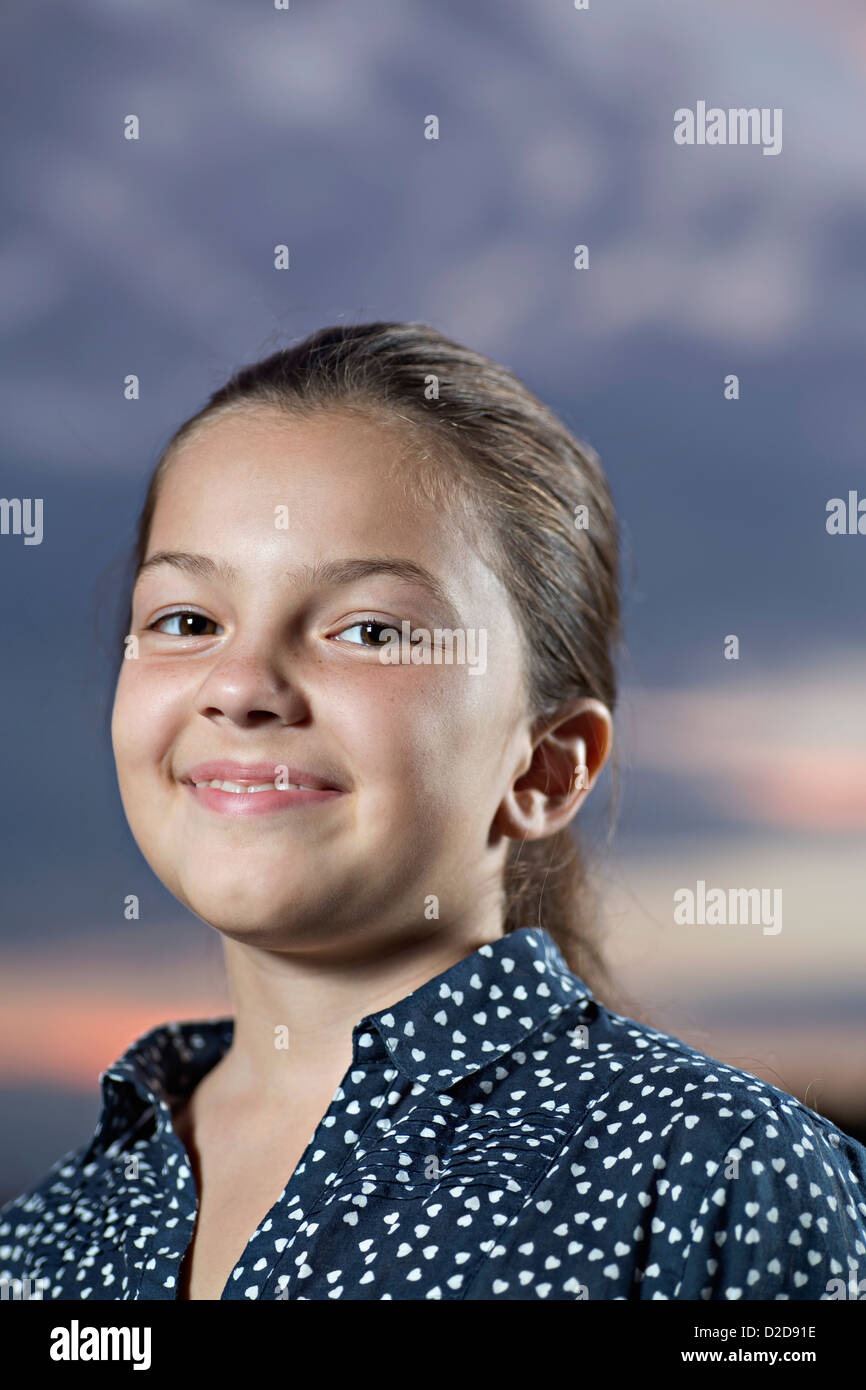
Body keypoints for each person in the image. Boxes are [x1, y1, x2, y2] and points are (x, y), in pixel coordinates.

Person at [1, 321, 864, 1302]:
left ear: (543, 766)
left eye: (367, 628)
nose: (239, 685)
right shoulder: (44, 1240)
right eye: (186, 620)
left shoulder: (714, 1179)